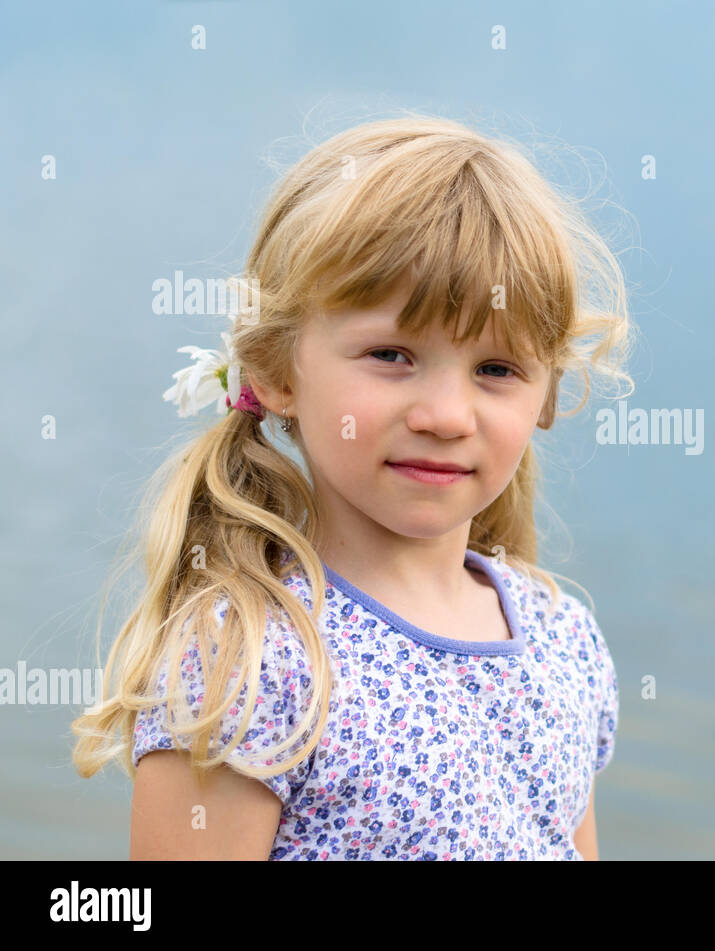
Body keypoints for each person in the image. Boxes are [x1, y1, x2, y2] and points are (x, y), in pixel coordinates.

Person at [70, 115, 636, 860]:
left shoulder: (563, 645)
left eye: (497, 370)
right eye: (392, 354)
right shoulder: (252, 660)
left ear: (547, 396)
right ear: (275, 369)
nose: (444, 415)